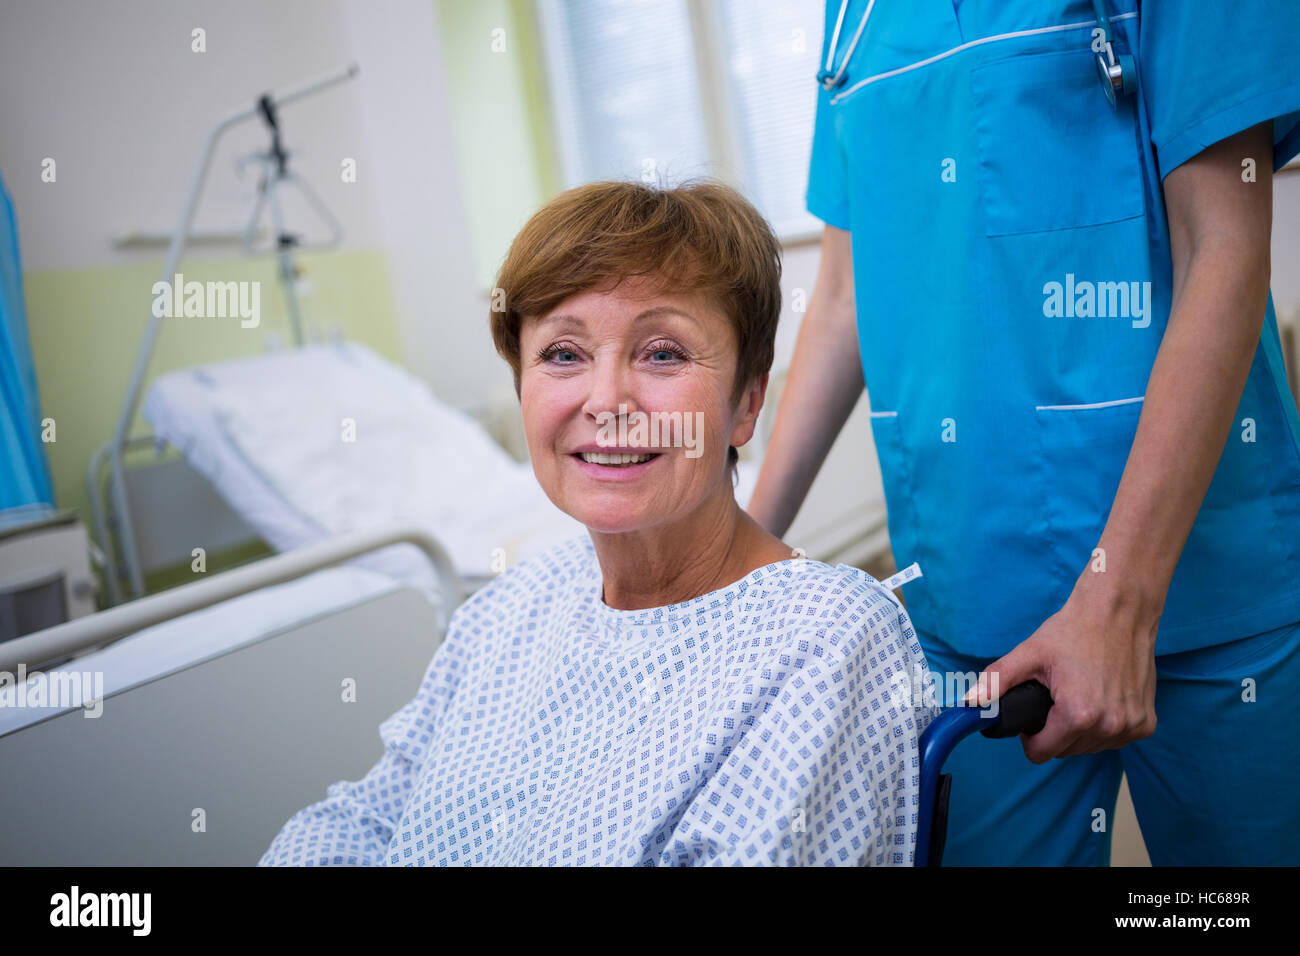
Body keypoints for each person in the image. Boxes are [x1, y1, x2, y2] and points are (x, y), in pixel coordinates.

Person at [747, 0, 1300, 865]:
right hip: (972, 604)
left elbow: (1223, 242)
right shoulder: (851, 16)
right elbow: (848, 293)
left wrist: (1118, 605)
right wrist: (740, 553)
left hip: (1205, 588)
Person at [258, 179, 938, 867]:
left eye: (663, 352)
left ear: (746, 403)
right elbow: (368, 821)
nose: (608, 400)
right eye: (563, 354)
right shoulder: (505, 611)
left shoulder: (824, 644)